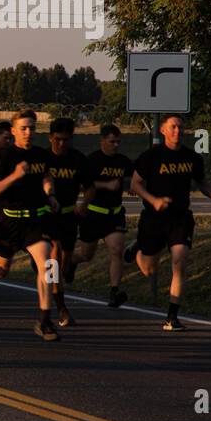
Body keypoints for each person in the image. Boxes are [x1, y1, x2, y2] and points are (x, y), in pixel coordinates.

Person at [128, 115, 211, 331]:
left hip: (180, 217)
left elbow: (201, 181)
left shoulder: (192, 157)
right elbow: (135, 184)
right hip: (154, 218)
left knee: (180, 261)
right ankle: (138, 248)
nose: (178, 131)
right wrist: (154, 200)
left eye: (181, 127)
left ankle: (172, 317)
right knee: (148, 269)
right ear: (164, 130)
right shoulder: (151, 156)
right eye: (173, 127)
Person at [0, 109, 61, 341]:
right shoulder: (4, 156)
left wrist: (50, 194)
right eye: (23, 128)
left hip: (35, 219)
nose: (28, 132)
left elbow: (45, 176)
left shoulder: (40, 155)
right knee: (1, 270)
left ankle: (44, 320)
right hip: (10, 221)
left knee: (47, 264)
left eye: (32, 128)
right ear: (14, 131)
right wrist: (14, 176)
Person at [70, 124, 133, 308]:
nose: (116, 145)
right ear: (102, 141)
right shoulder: (92, 161)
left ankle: (114, 292)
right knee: (85, 255)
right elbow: (82, 185)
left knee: (116, 250)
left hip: (114, 214)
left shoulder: (122, 160)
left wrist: (133, 186)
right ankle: (70, 263)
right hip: (93, 214)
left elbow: (135, 175)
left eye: (118, 142)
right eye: (112, 141)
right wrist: (105, 185)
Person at [46, 117, 88, 327]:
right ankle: (61, 307)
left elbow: (90, 187)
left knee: (65, 260)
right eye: (58, 139)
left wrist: (84, 203)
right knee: (53, 257)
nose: (62, 144)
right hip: (48, 216)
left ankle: (65, 270)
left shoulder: (78, 159)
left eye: (67, 140)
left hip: (70, 216)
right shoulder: (43, 159)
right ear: (50, 138)